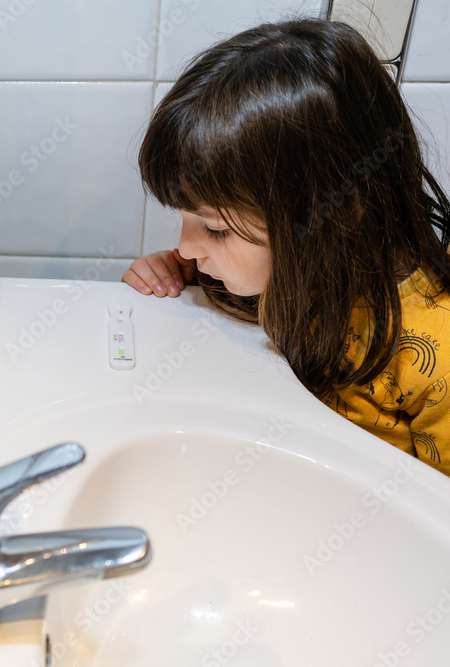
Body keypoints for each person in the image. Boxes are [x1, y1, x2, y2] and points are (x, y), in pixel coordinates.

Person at [123, 19, 450, 477]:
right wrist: (174, 272)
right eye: (185, 221)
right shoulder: (303, 260)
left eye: (215, 230)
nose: (185, 247)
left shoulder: (439, 358)